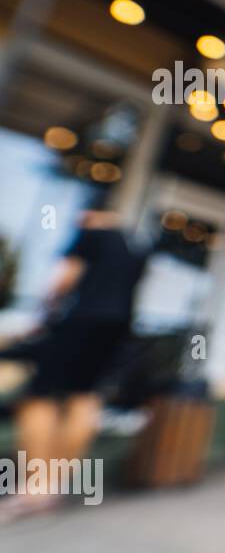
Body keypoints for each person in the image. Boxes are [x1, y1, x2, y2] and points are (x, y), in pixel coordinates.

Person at [5, 206, 145, 520]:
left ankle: (33, 491)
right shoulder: (135, 246)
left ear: (90, 214)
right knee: (85, 397)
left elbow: (65, 279)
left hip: (80, 321)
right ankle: (52, 487)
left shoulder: (90, 234)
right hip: (116, 329)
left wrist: (42, 312)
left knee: (38, 398)